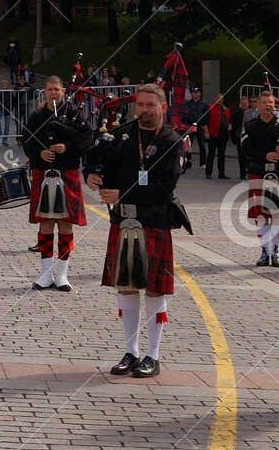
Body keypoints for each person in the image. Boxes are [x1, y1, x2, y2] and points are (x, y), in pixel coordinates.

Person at [87, 82, 186, 381]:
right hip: (124, 221)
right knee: (126, 287)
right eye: (140, 105)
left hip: (153, 220)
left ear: (162, 107)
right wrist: (92, 174)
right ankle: (130, 351)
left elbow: (163, 188)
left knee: (155, 289)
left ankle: (152, 356)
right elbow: (100, 159)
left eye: (150, 106)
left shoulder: (171, 141)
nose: (144, 110)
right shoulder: (123, 134)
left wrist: (121, 193)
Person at [21, 75, 92, 292]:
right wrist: (38, 153)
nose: (54, 93)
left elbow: (87, 138)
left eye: (57, 89)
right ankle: (45, 274)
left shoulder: (73, 114)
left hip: (67, 172)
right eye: (50, 89)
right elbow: (26, 142)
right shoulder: (36, 116)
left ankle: (62, 274)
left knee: (66, 224)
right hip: (43, 173)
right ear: (45, 91)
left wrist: (67, 147)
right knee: (46, 224)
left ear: (63, 92)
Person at [241, 89, 279, 268]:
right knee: (261, 214)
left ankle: (274, 252)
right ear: (257, 105)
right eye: (265, 103)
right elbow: (245, 149)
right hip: (258, 173)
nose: (269, 106)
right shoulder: (250, 126)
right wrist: (264, 155)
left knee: (276, 214)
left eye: (272, 103)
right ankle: (264, 251)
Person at [204, 94, 230, 180]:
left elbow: (229, 120)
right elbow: (205, 122)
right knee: (211, 155)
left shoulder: (226, 110)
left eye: (221, 99)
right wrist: (206, 132)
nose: (220, 100)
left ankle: (221, 174)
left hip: (223, 136)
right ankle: (208, 173)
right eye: (218, 98)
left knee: (222, 156)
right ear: (215, 99)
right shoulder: (210, 108)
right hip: (213, 135)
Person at [182, 86, 208, 167]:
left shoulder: (203, 105)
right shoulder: (187, 104)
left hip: (200, 126)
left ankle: (203, 163)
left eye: (196, 92)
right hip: (190, 126)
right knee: (188, 145)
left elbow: (206, 117)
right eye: (193, 92)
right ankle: (188, 160)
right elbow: (184, 115)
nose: (195, 94)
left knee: (202, 145)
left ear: (200, 94)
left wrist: (206, 129)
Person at [230, 94, 249, 179]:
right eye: (242, 103)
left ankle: (248, 172)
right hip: (239, 137)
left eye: (245, 103)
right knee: (241, 156)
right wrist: (234, 138)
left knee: (249, 156)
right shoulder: (236, 113)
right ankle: (242, 173)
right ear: (240, 104)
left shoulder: (250, 113)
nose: (244, 105)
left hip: (249, 137)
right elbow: (232, 127)